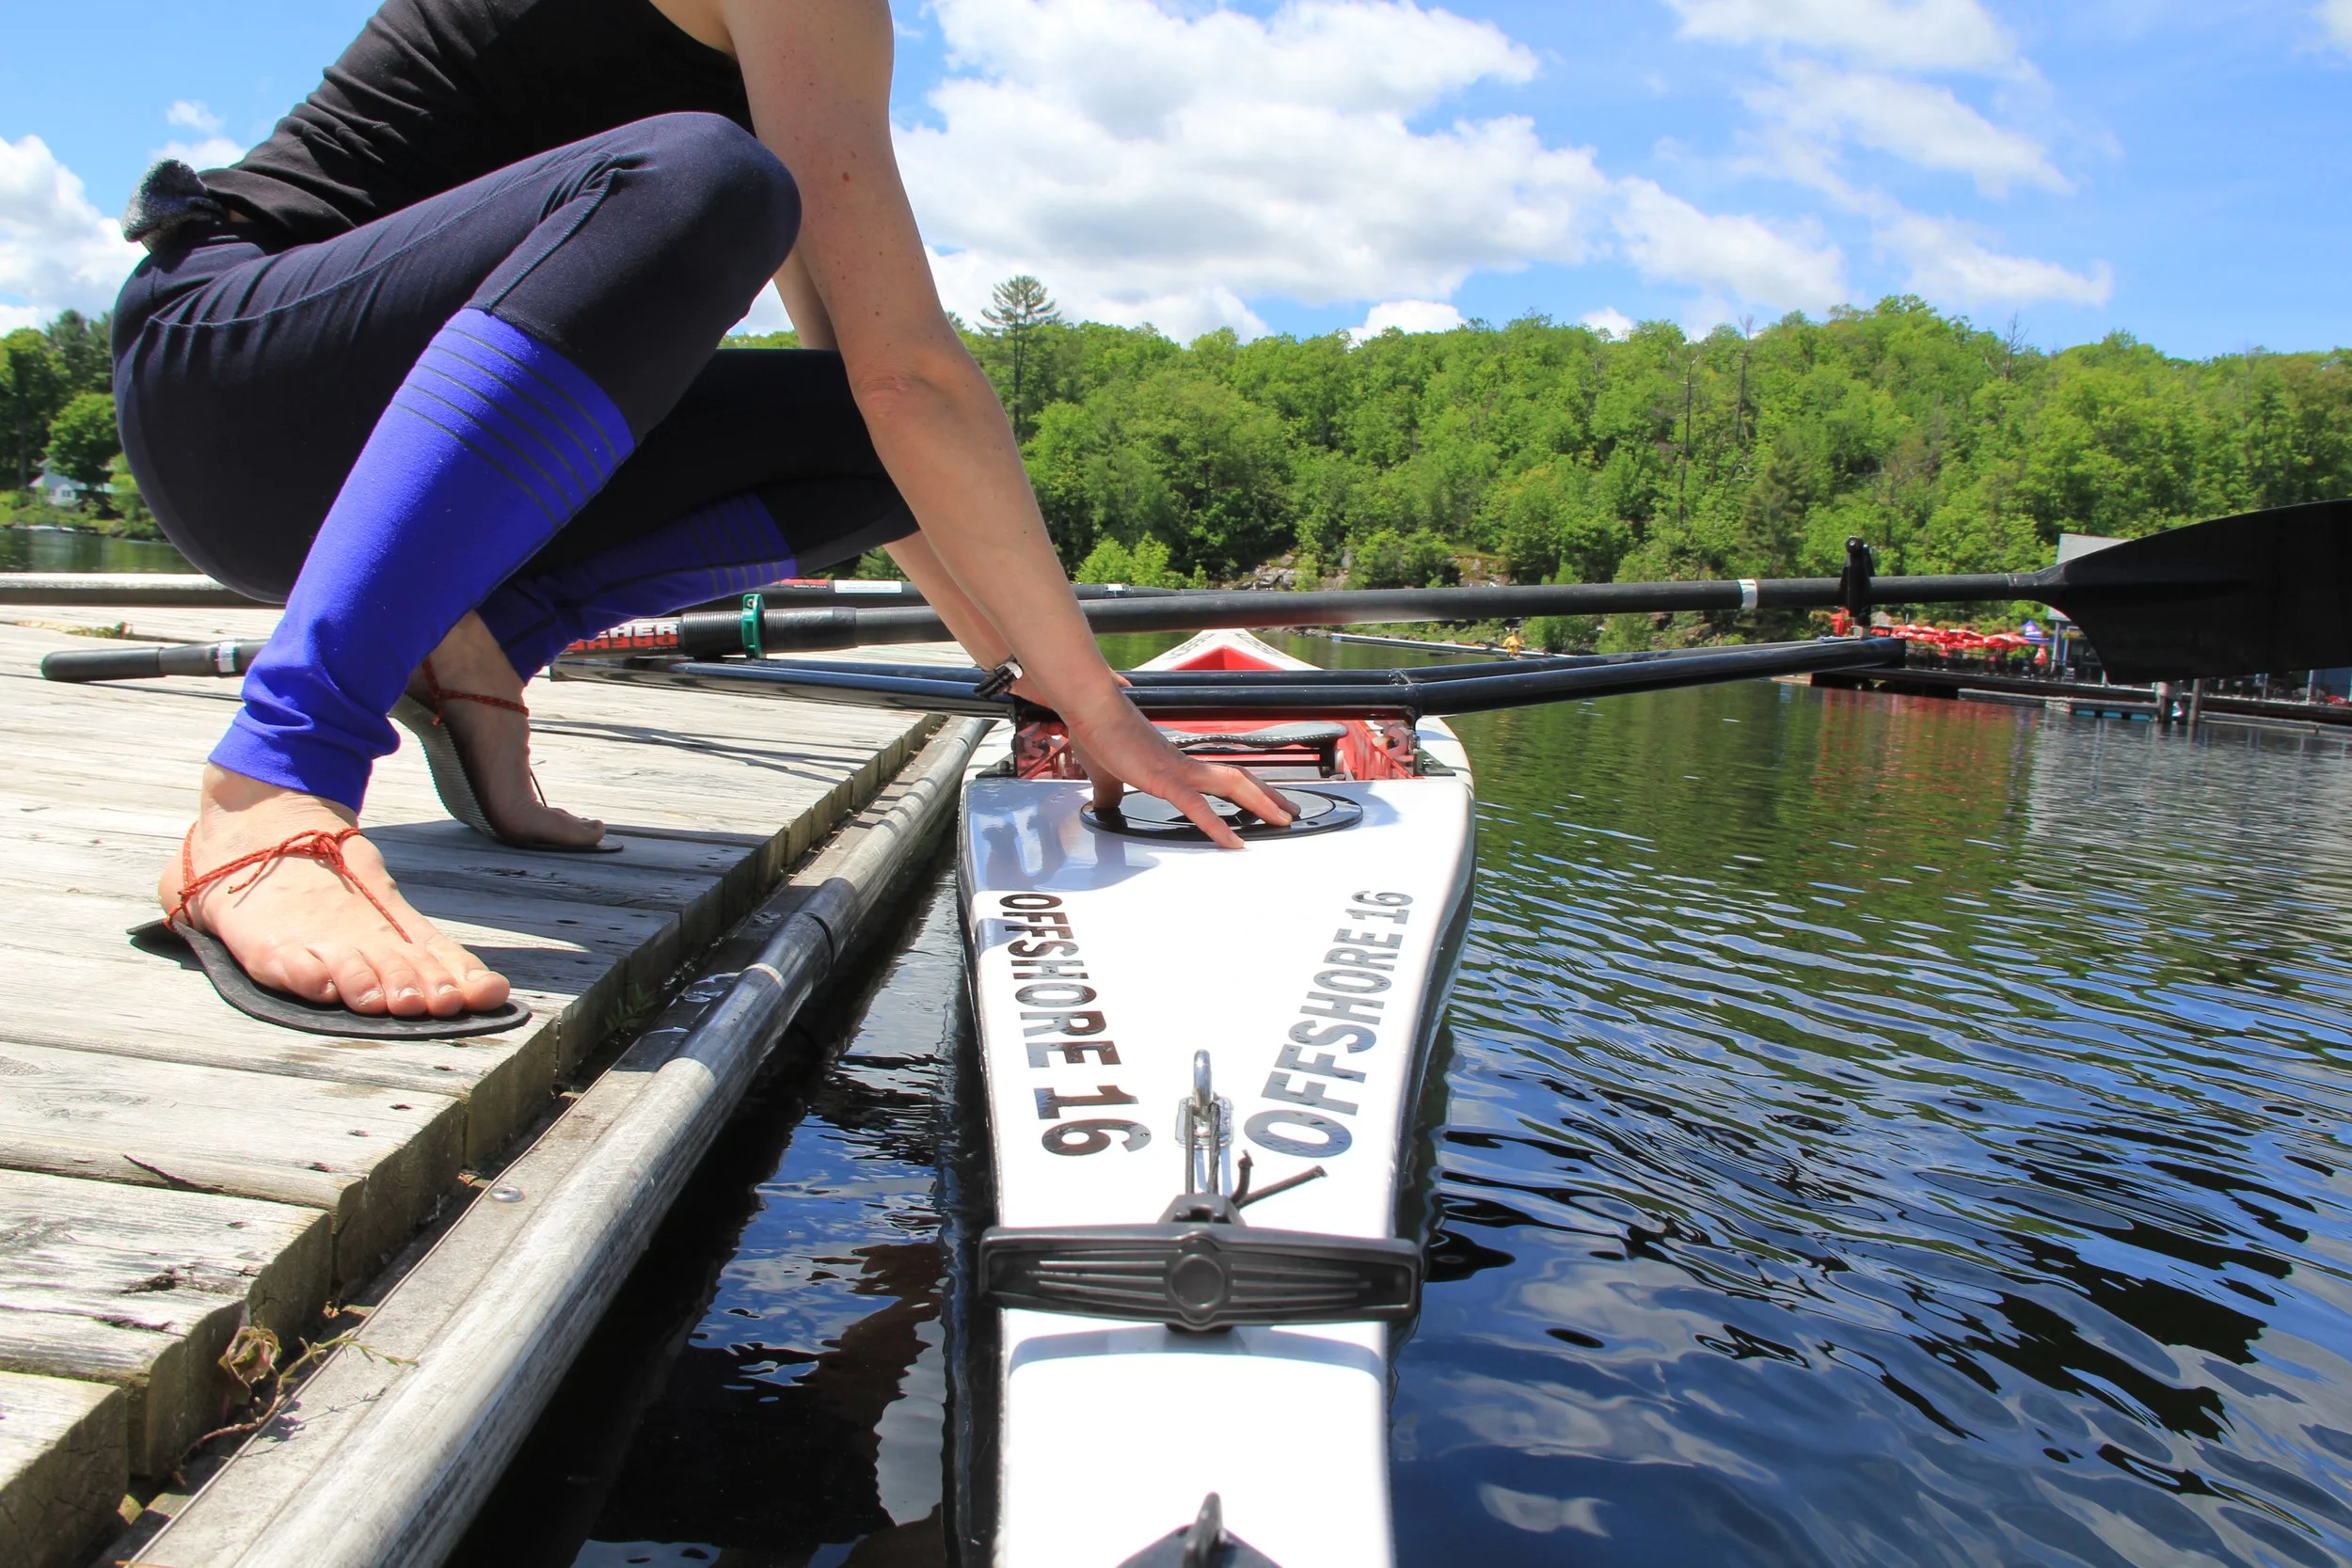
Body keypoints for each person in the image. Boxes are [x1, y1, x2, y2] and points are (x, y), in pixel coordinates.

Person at [115, 0, 1290, 1029]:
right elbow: (912, 377)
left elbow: (879, 401)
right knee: (703, 179)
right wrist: (1099, 697)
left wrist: (1028, 684)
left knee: (858, 433)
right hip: (229, 390)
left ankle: (469, 645)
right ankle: (273, 778)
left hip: (364, 461)